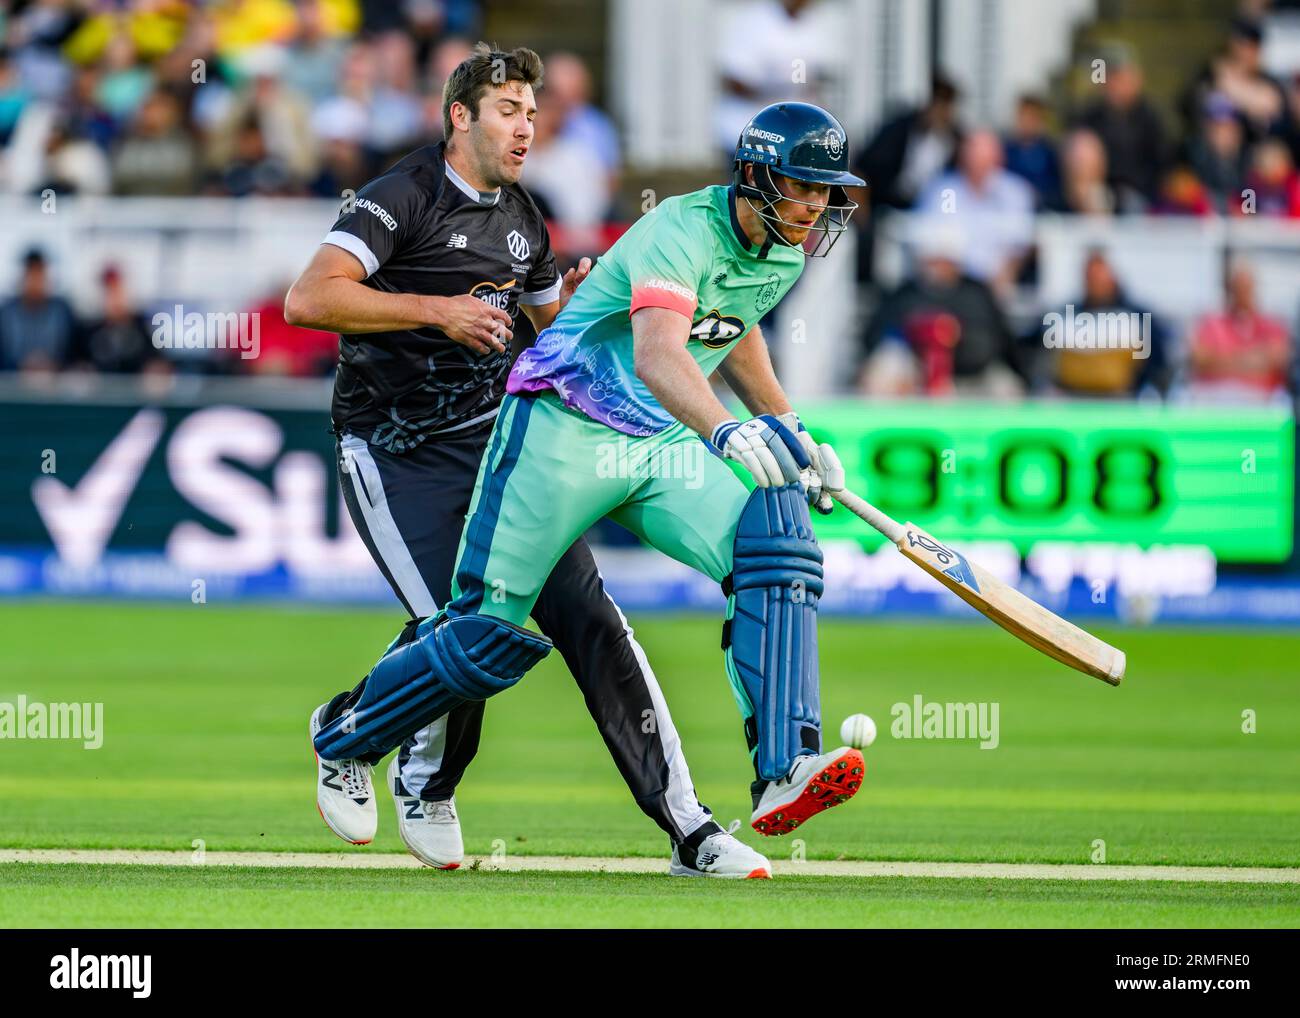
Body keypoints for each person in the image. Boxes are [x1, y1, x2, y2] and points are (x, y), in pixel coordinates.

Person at [313, 100, 870, 856]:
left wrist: (789, 425)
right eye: (804, 188)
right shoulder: (682, 230)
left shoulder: (781, 251)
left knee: (775, 538)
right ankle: (346, 736)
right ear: (755, 175)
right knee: (482, 636)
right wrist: (729, 429)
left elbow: (733, 330)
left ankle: (785, 765)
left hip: (654, 445)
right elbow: (659, 354)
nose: (819, 206)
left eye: (826, 190)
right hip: (561, 432)